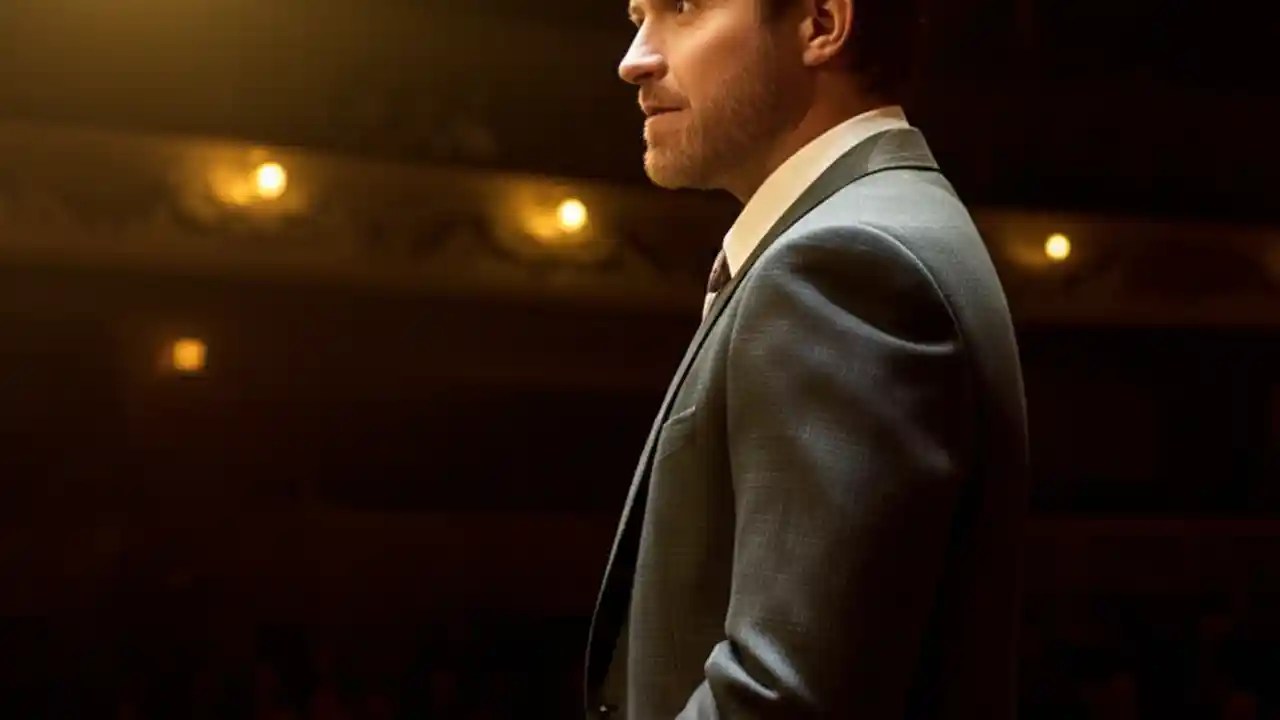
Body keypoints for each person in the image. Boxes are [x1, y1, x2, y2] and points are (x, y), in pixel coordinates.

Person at [584, 0, 1030, 717]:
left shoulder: (845, 261)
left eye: (683, 8)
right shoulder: (869, 229)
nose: (633, 59)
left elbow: (781, 700)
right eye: (638, 16)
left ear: (821, 23)